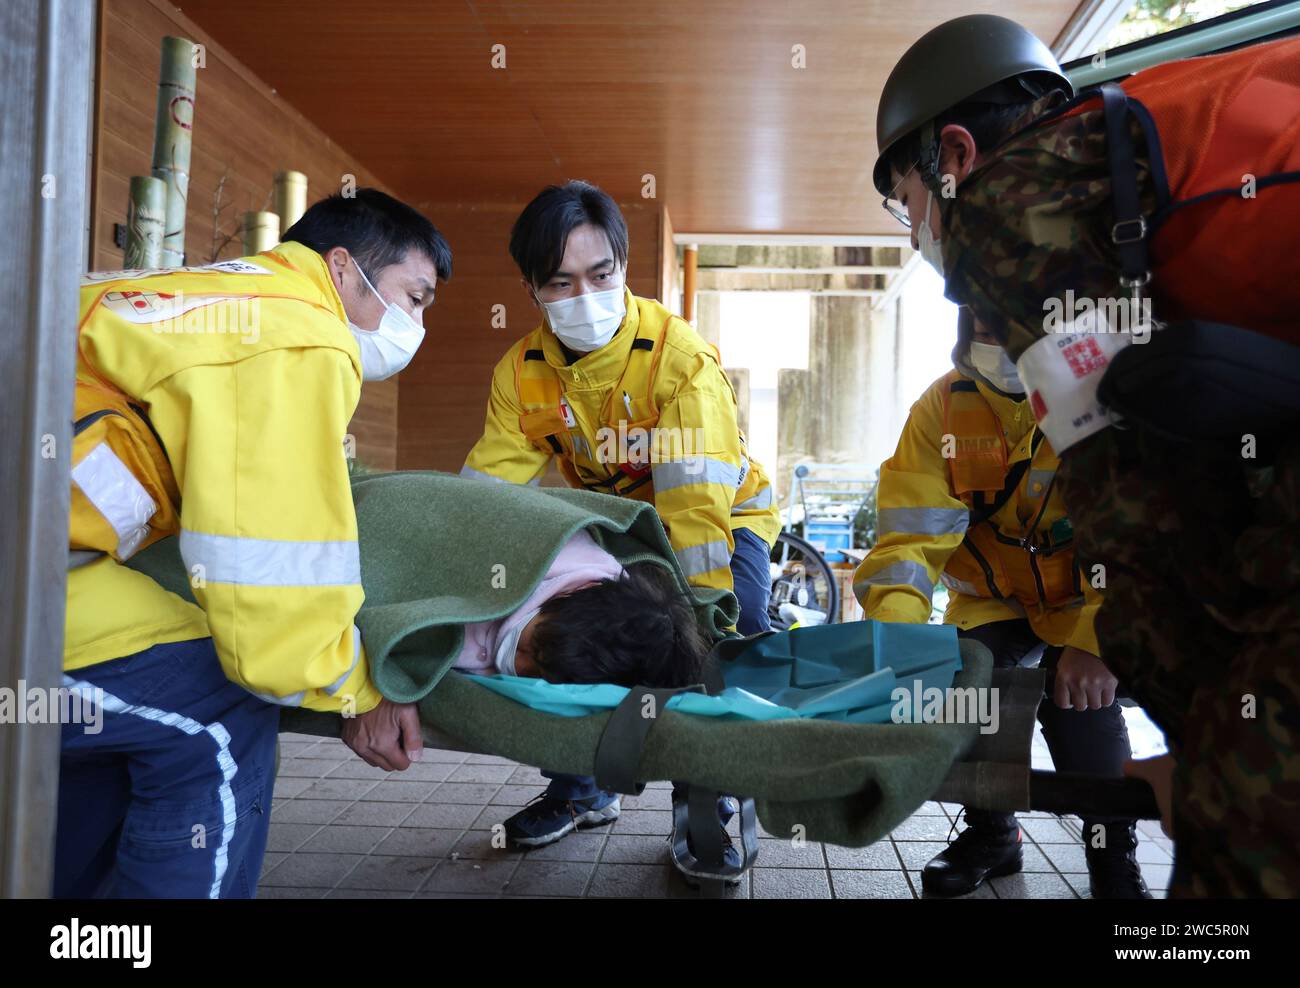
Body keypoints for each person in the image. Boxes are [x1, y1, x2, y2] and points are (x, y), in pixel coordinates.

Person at [873, 14, 1300, 896]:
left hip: (1086, 601)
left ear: (954, 155)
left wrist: (1205, 756)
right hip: (1008, 599)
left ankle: (1129, 880)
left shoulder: (1016, 200)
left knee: (1246, 822)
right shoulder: (1150, 142)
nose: (915, 227)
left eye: (906, 199)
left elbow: (1136, 516)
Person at [58, 189, 451, 897]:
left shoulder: (172, 293)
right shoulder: (298, 334)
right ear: (341, 269)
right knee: (220, 701)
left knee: (121, 726)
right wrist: (356, 689)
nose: (415, 327)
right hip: (36, 577)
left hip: (46, 558)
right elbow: (272, 600)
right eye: (413, 298)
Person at [461, 180, 780, 861]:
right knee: (570, 630)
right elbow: (488, 495)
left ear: (624, 267)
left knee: (726, 631)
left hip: (722, 518)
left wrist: (703, 615)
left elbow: (695, 508)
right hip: (618, 523)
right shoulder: (521, 374)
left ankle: (706, 800)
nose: (584, 296)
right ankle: (578, 788)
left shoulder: (680, 359)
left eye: (600, 275)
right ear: (532, 291)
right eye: (561, 282)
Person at [855, 309, 1147, 898]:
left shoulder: (1103, 399)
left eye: (1018, 329)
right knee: (969, 686)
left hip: (1083, 597)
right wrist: (898, 641)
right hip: (990, 595)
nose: (1000, 345)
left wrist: (1097, 641)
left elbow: (1135, 536)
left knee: (1080, 709)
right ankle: (994, 835)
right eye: (987, 330)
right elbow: (910, 537)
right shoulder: (941, 407)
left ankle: (1112, 856)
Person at [453, 527, 709, 691]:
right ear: (566, 594)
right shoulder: (538, 550)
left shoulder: (595, 666)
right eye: (531, 647)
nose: (517, 664)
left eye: (533, 675)